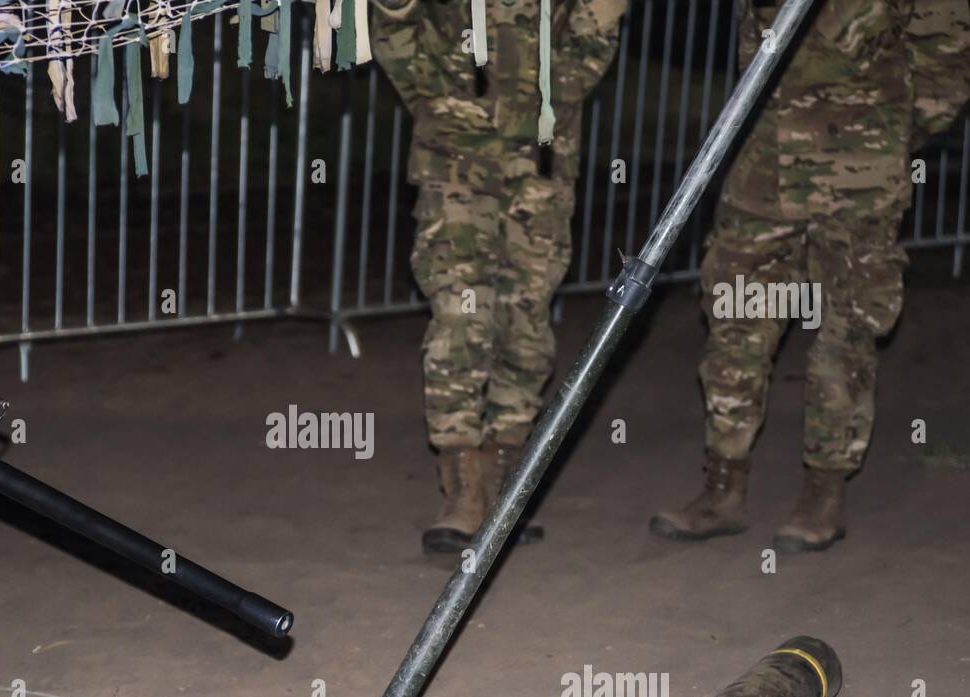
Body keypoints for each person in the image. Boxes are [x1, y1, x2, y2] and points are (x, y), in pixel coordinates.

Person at [650, 0, 970, 552]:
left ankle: (824, 492)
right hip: (762, 161)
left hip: (859, 167)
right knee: (736, 316)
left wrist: (892, 128)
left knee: (846, 328)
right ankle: (722, 486)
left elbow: (947, 48)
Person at [371, 0, 627, 553]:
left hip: (540, 166)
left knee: (525, 322)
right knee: (460, 316)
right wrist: (441, 103)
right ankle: (463, 485)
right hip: (454, 167)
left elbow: (586, 57)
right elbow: (394, 37)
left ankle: (510, 475)